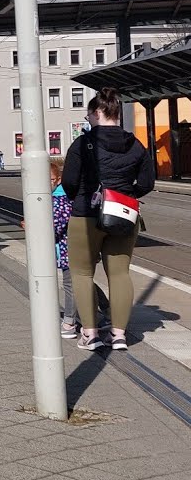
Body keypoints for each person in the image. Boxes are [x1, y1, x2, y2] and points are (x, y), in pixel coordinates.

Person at [62, 87, 155, 352]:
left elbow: (69, 181)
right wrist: (125, 196)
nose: (88, 119)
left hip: (86, 216)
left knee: (81, 272)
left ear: (98, 112)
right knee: (120, 274)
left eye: (89, 114)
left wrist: (78, 197)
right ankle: (119, 335)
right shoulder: (135, 144)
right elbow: (147, 182)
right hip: (124, 216)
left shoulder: (83, 143)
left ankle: (90, 334)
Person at [49, 158, 109, 339]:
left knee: (71, 284)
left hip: (70, 250)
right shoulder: (66, 196)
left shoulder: (59, 199)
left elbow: (55, 227)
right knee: (83, 281)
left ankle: (69, 321)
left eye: (50, 180)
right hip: (77, 247)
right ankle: (107, 310)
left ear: (59, 179)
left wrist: (34, 228)